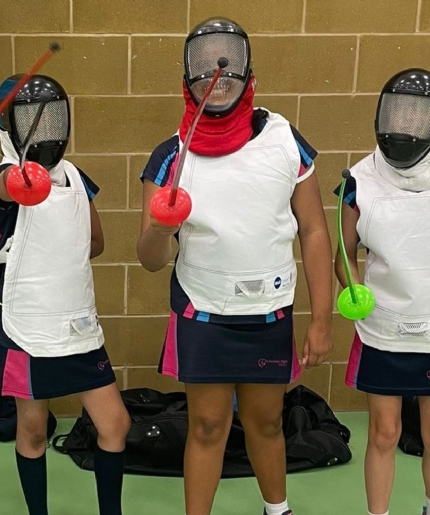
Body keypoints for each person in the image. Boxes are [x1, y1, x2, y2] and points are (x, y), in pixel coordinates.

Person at [136, 18, 333, 515]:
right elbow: (150, 260)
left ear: (248, 74)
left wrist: (323, 321)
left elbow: (313, 231)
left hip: (268, 311)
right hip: (203, 311)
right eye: (203, 70)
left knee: (267, 422)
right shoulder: (170, 158)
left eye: (227, 67)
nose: (216, 79)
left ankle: (277, 509)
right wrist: (161, 227)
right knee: (206, 425)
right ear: (187, 81)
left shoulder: (285, 140)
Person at [334, 68, 430, 515]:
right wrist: (352, 287)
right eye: (398, 113)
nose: (404, 124)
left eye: (417, 115)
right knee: (383, 434)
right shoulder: (358, 181)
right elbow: (343, 255)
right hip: (382, 327)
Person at [0, 74, 130, 515]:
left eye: (48, 121)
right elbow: (10, 187)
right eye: (29, 122)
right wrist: (19, 181)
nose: (41, 133)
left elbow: (96, 243)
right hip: (27, 329)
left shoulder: (74, 177)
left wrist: (63, 245)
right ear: (8, 128)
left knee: (115, 424)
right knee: (32, 429)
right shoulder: (2, 180)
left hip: (77, 323)